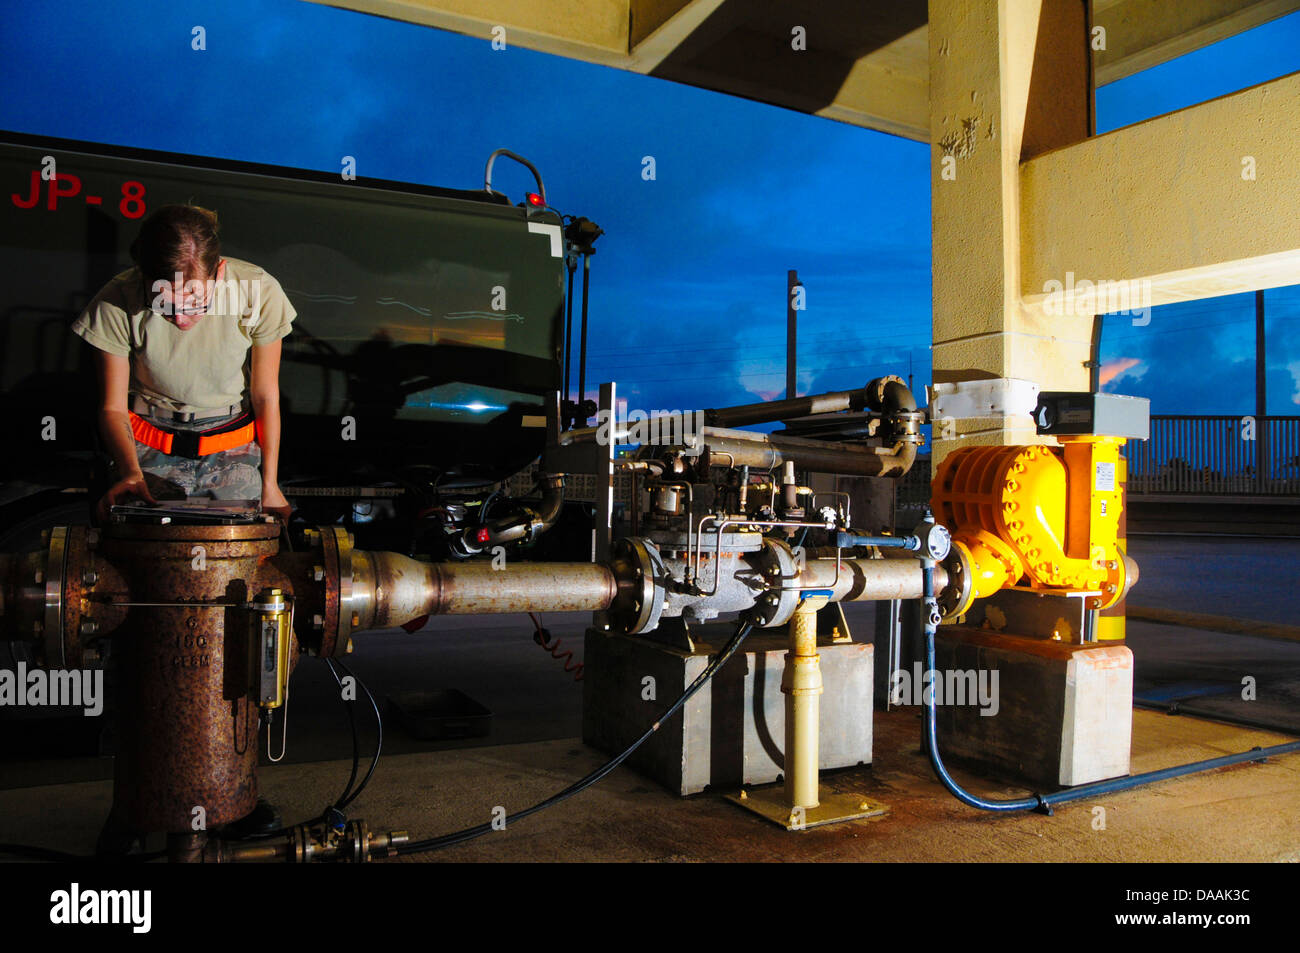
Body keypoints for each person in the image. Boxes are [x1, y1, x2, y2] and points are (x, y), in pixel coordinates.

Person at [70, 204, 295, 523]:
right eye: (163, 304)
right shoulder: (118, 299)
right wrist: (131, 472)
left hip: (232, 442)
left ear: (219, 273)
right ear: (143, 278)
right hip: (149, 441)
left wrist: (270, 485)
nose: (180, 318)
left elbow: (265, 396)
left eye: (196, 303)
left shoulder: (256, 291)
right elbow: (113, 408)